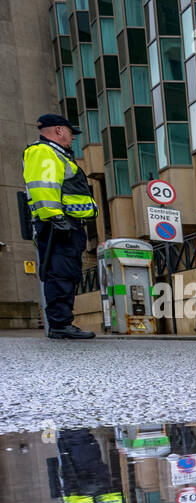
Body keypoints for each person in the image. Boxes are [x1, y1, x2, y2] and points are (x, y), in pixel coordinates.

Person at [23, 113, 99, 339]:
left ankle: (62, 322)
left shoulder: (55, 154)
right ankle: (60, 324)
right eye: (70, 133)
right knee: (61, 273)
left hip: (66, 224)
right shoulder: (44, 152)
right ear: (58, 130)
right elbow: (43, 186)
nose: (72, 138)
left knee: (67, 273)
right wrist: (55, 217)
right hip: (58, 225)